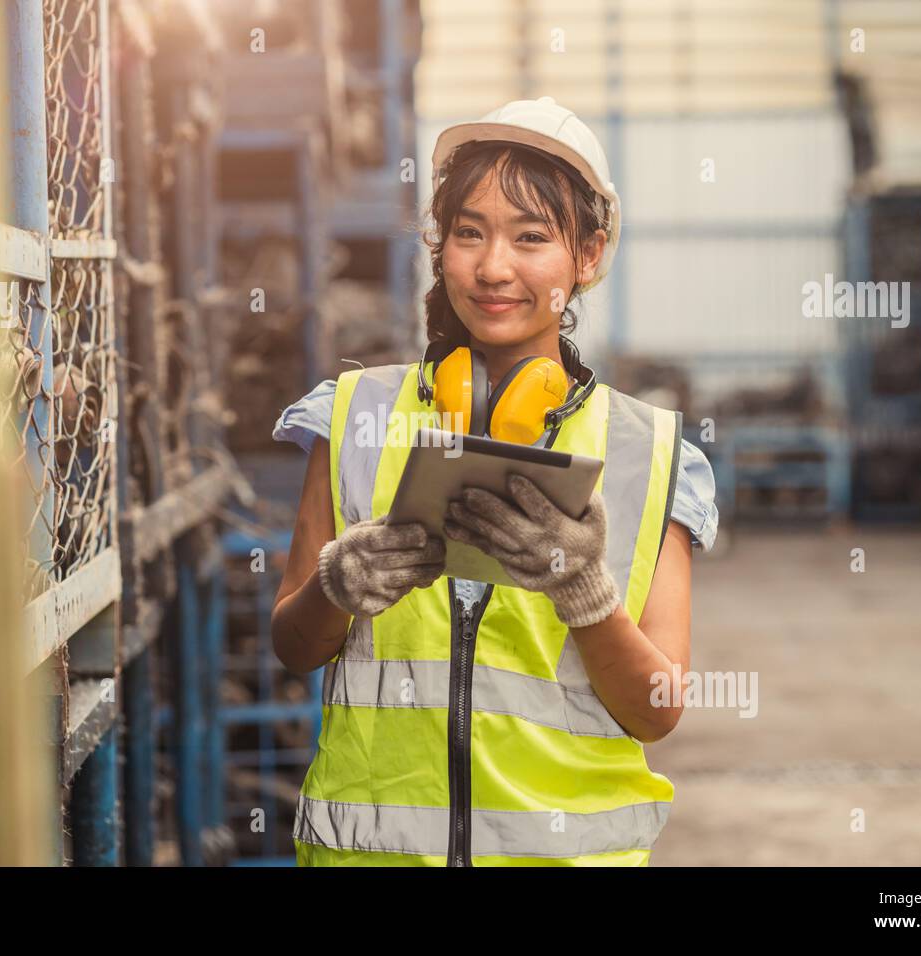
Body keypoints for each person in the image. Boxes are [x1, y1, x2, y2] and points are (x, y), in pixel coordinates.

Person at [270, 97, 718, 866]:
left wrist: (584, 592)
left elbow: (656, 711)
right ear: (439, 247)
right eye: (468, 232)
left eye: (532, 237)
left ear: (589, 256)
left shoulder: (648, 450)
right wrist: (335, 589)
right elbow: (293, 646)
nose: (492, 267)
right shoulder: (354, 414)